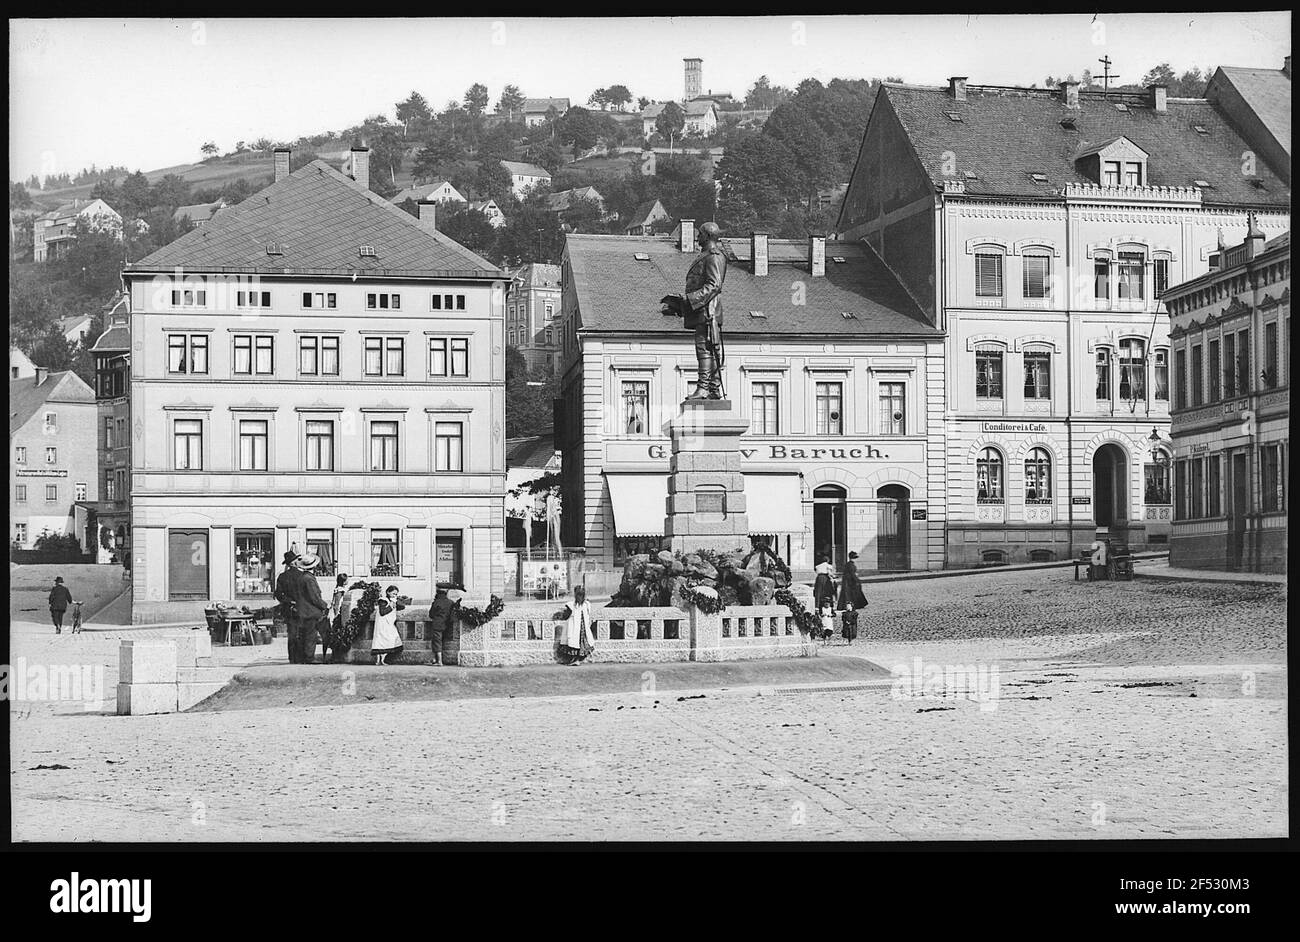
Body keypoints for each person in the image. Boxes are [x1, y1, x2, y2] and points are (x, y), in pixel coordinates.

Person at [661, 221, 728, 400]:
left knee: (705, 349)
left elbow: (714, 286)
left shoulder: (713, 256)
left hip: (708, 312)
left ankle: (705, 388)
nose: (697, 237)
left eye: (700, 234)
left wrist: (688, 300)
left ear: (707, 236)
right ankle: (713, 388)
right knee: (708, 348)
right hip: (702, 310)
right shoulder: (706, 255)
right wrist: (680, 306)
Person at [277, 553, 328, 664]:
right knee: (305, 633)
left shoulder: (282, 576)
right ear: (294, 562)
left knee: (292, 634)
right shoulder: (303, 576)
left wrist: (289, 601)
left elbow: (278, 594)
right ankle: (304, 657)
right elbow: (310, 595)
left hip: (290, 609)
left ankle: (293, 658)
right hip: (304, 608)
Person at [559, 585, 595, 665]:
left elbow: (565, 616)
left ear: (575, 594)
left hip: (574, 628)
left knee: (574, 643)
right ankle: (581, 659)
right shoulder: (586, 605)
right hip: (583, 628)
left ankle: (575, 660)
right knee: (582, 642)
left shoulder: (571, 605)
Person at [371, 585, 406, 666]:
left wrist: (398, 601)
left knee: (390, 640)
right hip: (382, 624)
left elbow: (402, 607)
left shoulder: (392, 600)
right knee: (381, 640)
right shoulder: (383, 600)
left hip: (389, 624)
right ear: (388, 592)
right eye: (393, 593)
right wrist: (391, 606)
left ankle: (382, 660)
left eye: (396, 594)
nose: (394, 595)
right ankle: (378, 660)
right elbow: (382, 612)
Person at [324, 573, 349, 663]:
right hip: (336, 613)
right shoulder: (340, 590)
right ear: (344, 581)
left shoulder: (338, 588)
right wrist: (337, 614)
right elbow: (337, 603)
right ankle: (335, 655)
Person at [427, 587, 455, 666]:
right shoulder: (451, 602)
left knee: (437, 642)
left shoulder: (436, 602)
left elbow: (431, 614)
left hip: (437, 624)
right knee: (441, 642)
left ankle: (439, 661)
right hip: (447, 625)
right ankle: (436, 660)